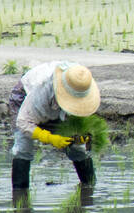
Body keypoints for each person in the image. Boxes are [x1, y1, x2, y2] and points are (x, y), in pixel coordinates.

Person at [8, 61, 101, 190]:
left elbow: (85, 121)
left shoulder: (82, 84)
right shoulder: (43, 89)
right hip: (27, 97)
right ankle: (20, 195)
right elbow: (23, 122)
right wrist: (50, 138)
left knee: (77, 148)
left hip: (56, 107)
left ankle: (89, 187)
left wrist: (84, 135)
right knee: (24, 147)